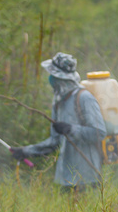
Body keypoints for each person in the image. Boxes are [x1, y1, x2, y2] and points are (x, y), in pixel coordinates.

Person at [9, 53, 106, 192]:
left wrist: (71, 129)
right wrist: (26, 151)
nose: (51, 79)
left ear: (61, 78)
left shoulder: (84, 98)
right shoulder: (59, 102)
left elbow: (99, 133)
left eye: (53, 76)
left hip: (87, 178)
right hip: (65, 180)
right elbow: (55, 141)